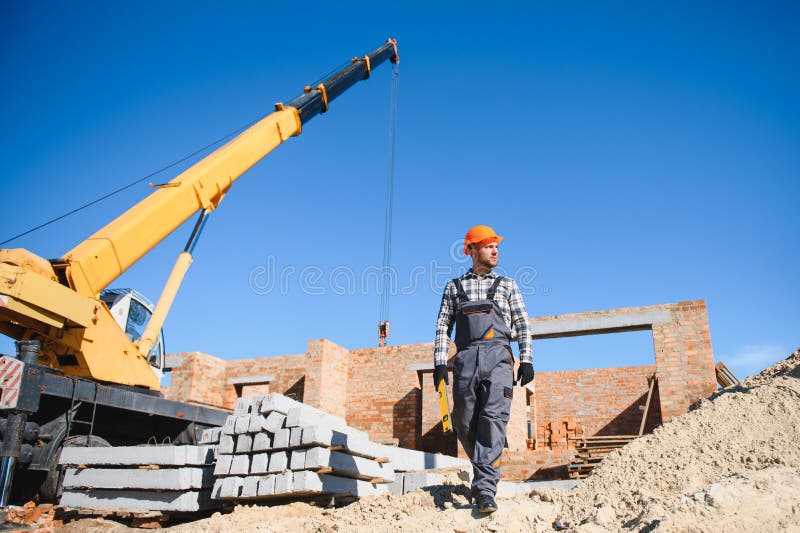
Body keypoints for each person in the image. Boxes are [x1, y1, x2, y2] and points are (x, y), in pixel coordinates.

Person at [434, 225, 534, 513]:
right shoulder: (454, 287)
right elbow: (443, 326)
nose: (495, 250)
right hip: (465, 359)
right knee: (463, 420)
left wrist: (526, 358)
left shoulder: (507, 285)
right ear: (472, 250)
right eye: (488, 246)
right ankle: (484, 467)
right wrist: (440, 362)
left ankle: (485, 489)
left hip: (499, 358)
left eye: (496, 246)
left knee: (492, 420)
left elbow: (523, 324)